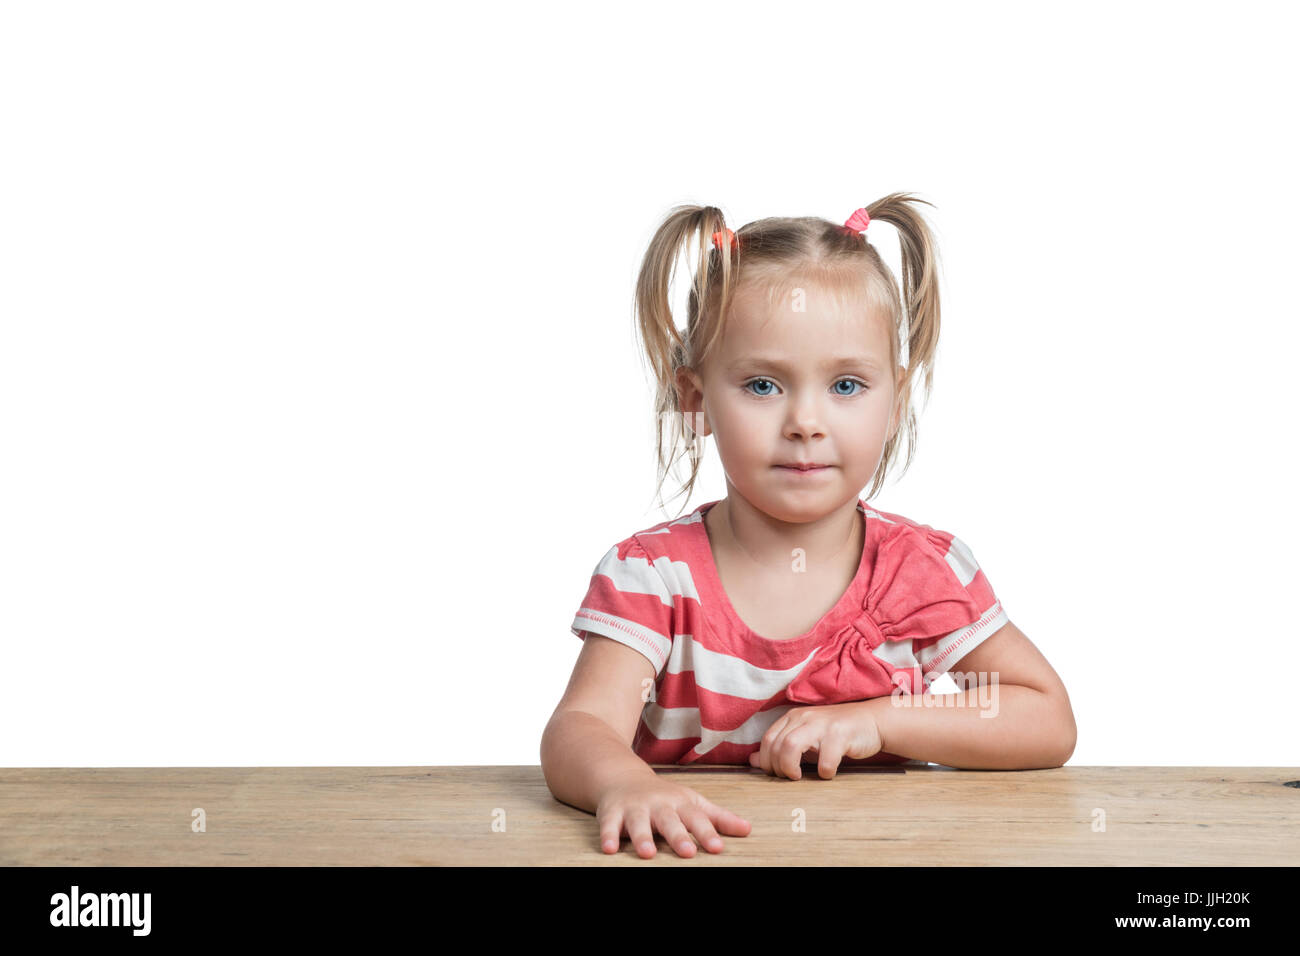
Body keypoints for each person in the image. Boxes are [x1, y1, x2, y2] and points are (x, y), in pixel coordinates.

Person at [540, 193, 1076, 859]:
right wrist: (624, 784)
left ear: (896, 397)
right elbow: (579, 726)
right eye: (763, 385)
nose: (806, 422)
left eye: (847, 385)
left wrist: (878, 721)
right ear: (696, 400)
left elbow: (1046, 718)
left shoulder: (922, 572)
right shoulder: (653, 578)